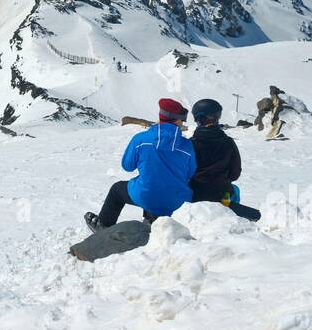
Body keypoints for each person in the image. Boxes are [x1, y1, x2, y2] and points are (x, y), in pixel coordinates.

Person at [86, 98, 196, 232]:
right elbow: (190, 172)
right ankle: (152, 219)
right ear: (177, 120)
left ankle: (104, 226)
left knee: (118, 190)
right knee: (156, 184)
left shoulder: (141, 139)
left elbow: (127, 166)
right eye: (182, 119)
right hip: (177, 200)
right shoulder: (187, 146)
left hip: (146, 195)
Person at [189, 98, 261, 222]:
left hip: (194, 195)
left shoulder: (189, 144)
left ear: (197, 118)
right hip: (222, 194)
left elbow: (184, 172)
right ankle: (230, 218)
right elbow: (235, 174)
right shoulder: (228, 142)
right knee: (235, 190)